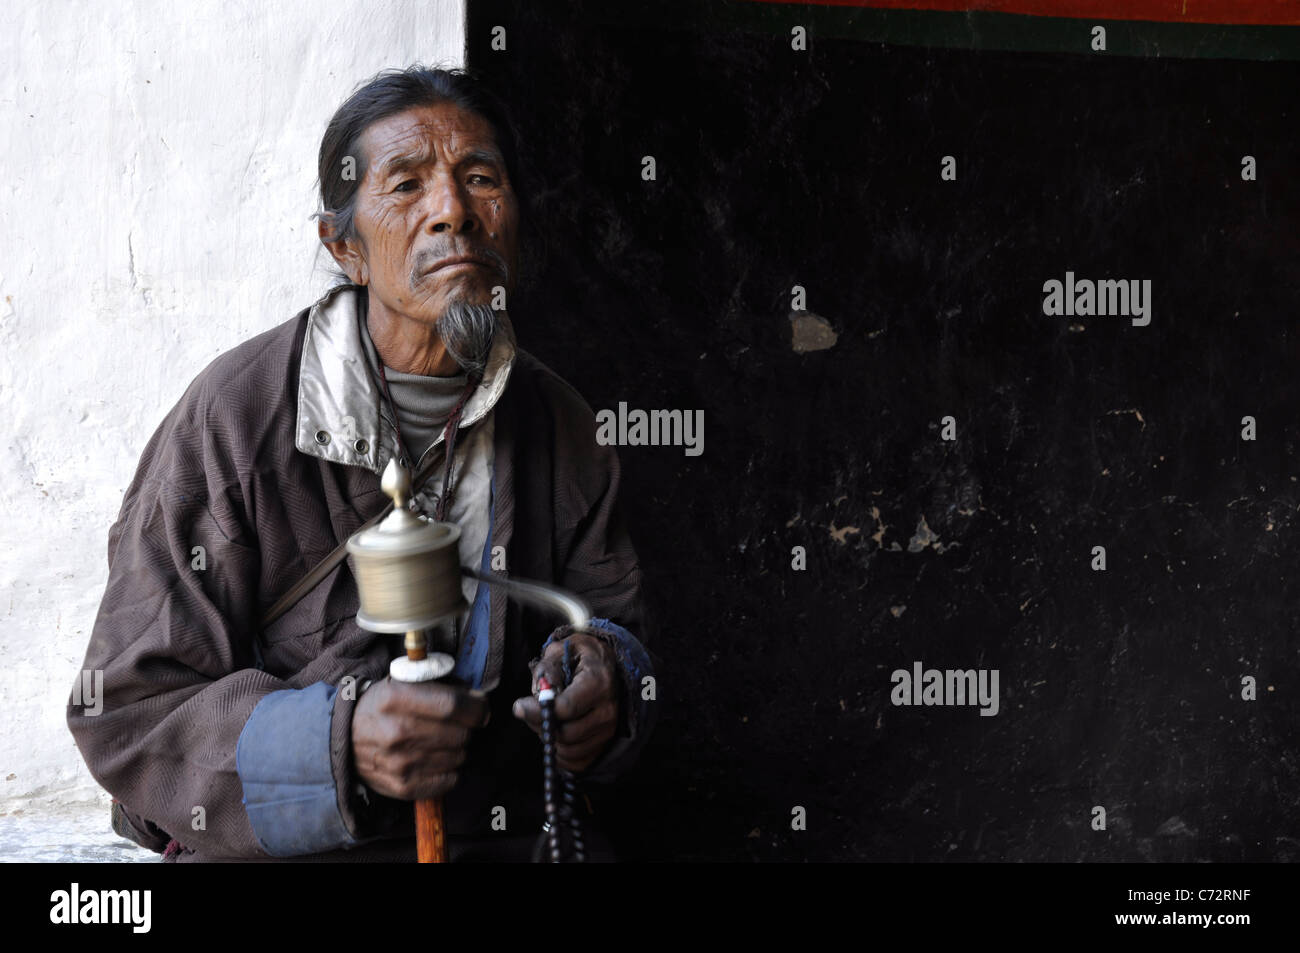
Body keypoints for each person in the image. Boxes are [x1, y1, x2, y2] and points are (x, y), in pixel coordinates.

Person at [66, 65, 655, 862]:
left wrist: (604, 685)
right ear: (345, 247)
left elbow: (613, 624)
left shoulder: (559, 424)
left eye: (480, 179)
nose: (453, 211)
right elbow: (129, 707)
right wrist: (336, 745)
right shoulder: (237, 417)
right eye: (407, 185)